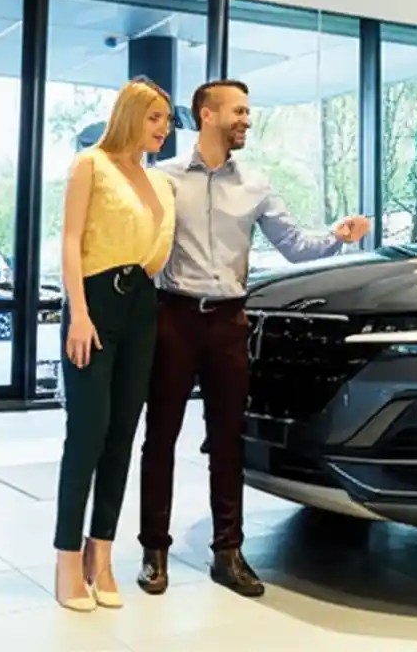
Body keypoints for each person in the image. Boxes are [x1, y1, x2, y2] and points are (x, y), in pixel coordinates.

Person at [136, 79, 370, 597]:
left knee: (227, 439)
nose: (246, 120)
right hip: (173, 317)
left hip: (228, 323)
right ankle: (154, 550)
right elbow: (139, 244)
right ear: (207, 113)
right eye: (238, 111)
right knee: (162, 437)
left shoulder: (257, 184)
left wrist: (337, 234)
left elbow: (293, 247)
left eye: (248, 112)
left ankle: (228, 553)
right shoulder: (164, 178)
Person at [53, 77, 177, 612]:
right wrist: (77, 312)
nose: (163, 130)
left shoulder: (160, 183)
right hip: (96, 301)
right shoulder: (91, 165)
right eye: (154, 119)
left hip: (142, 303)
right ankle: (65, 559)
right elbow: (70, 239)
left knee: (124, 431)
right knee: (87, 432)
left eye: (168, 122)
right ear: (129, 115)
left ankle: (100, 552)